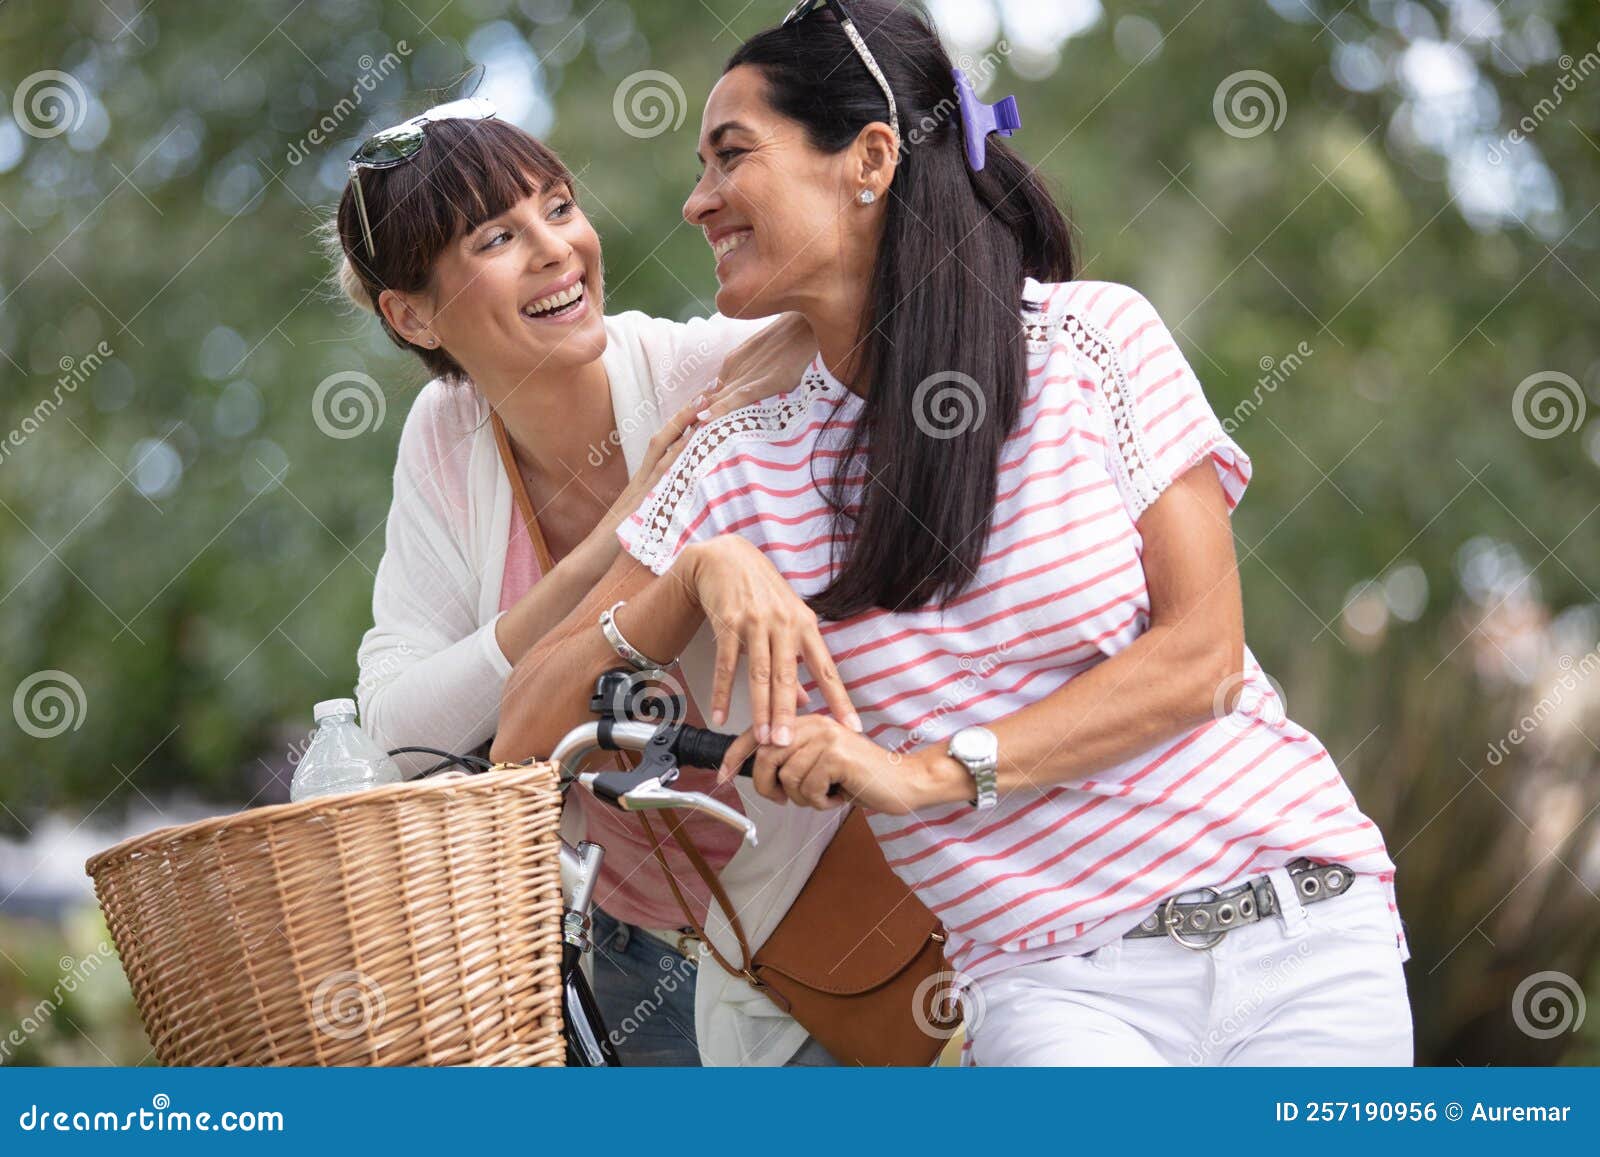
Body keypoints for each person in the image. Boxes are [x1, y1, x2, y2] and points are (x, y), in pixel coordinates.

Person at [495, 0, 1414, 1066]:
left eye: (730, 156)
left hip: (1295, 923)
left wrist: (923, 773)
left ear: (871, 158)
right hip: (1051, 986)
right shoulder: (733, 455)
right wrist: (697, 571)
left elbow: (1201, 660)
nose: (698, 200)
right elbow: (522, 733)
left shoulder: (1091, 342)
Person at [331, 101, 837, 1066]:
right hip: (628, 941)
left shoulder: (699, 370)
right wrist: (615, 536)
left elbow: (885, 305)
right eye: (497, 237)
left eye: (558, 209)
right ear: (411, 313)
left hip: (816, 897)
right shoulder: (445, 442)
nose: (556, 250)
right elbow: (399, 737)